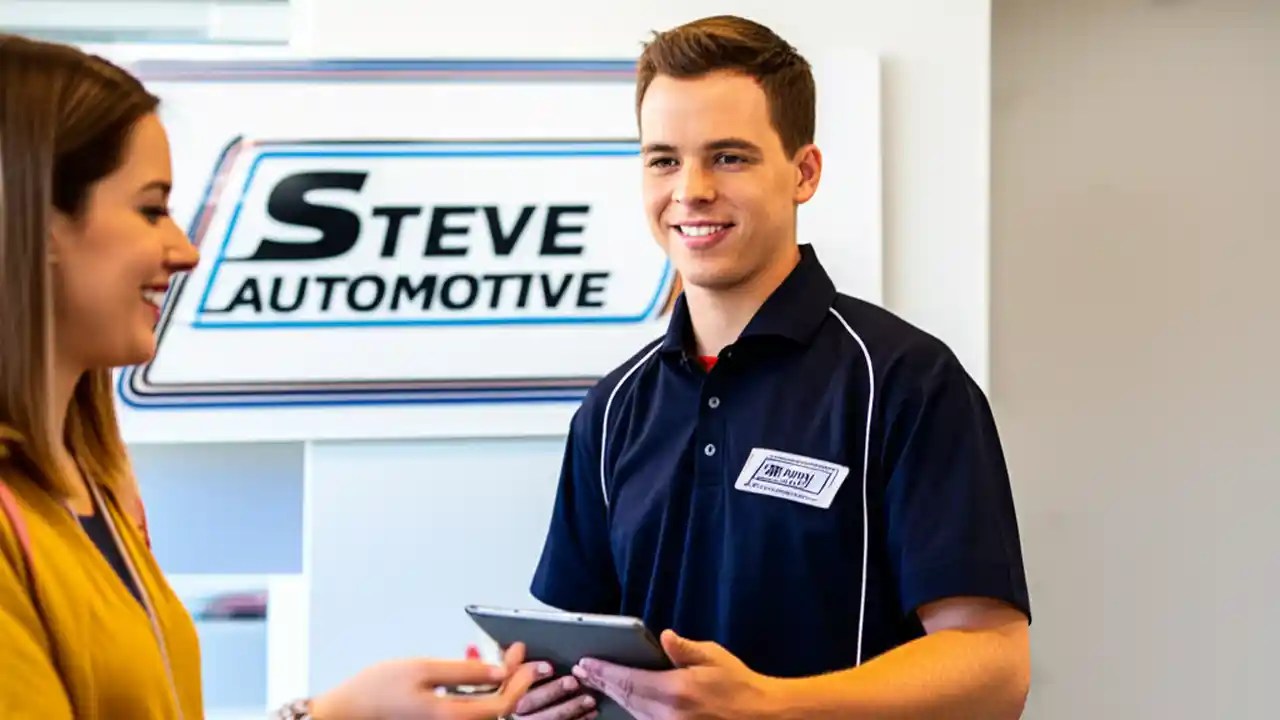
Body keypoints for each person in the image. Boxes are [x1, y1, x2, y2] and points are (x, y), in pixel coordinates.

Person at [0, 34, 545, 719]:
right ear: (36, 221)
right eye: (150, 209)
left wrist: (335, 715)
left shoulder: (98, 489)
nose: (185, 250)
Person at [516, 15, 1032, 720]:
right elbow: (585, 655)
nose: (691, 189)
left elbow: (994, 668)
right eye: (663, 160)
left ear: (804, 173)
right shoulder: (610, 412)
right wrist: (543, 698)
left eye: (728, 157)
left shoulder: (906, 383)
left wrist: (768, 706)